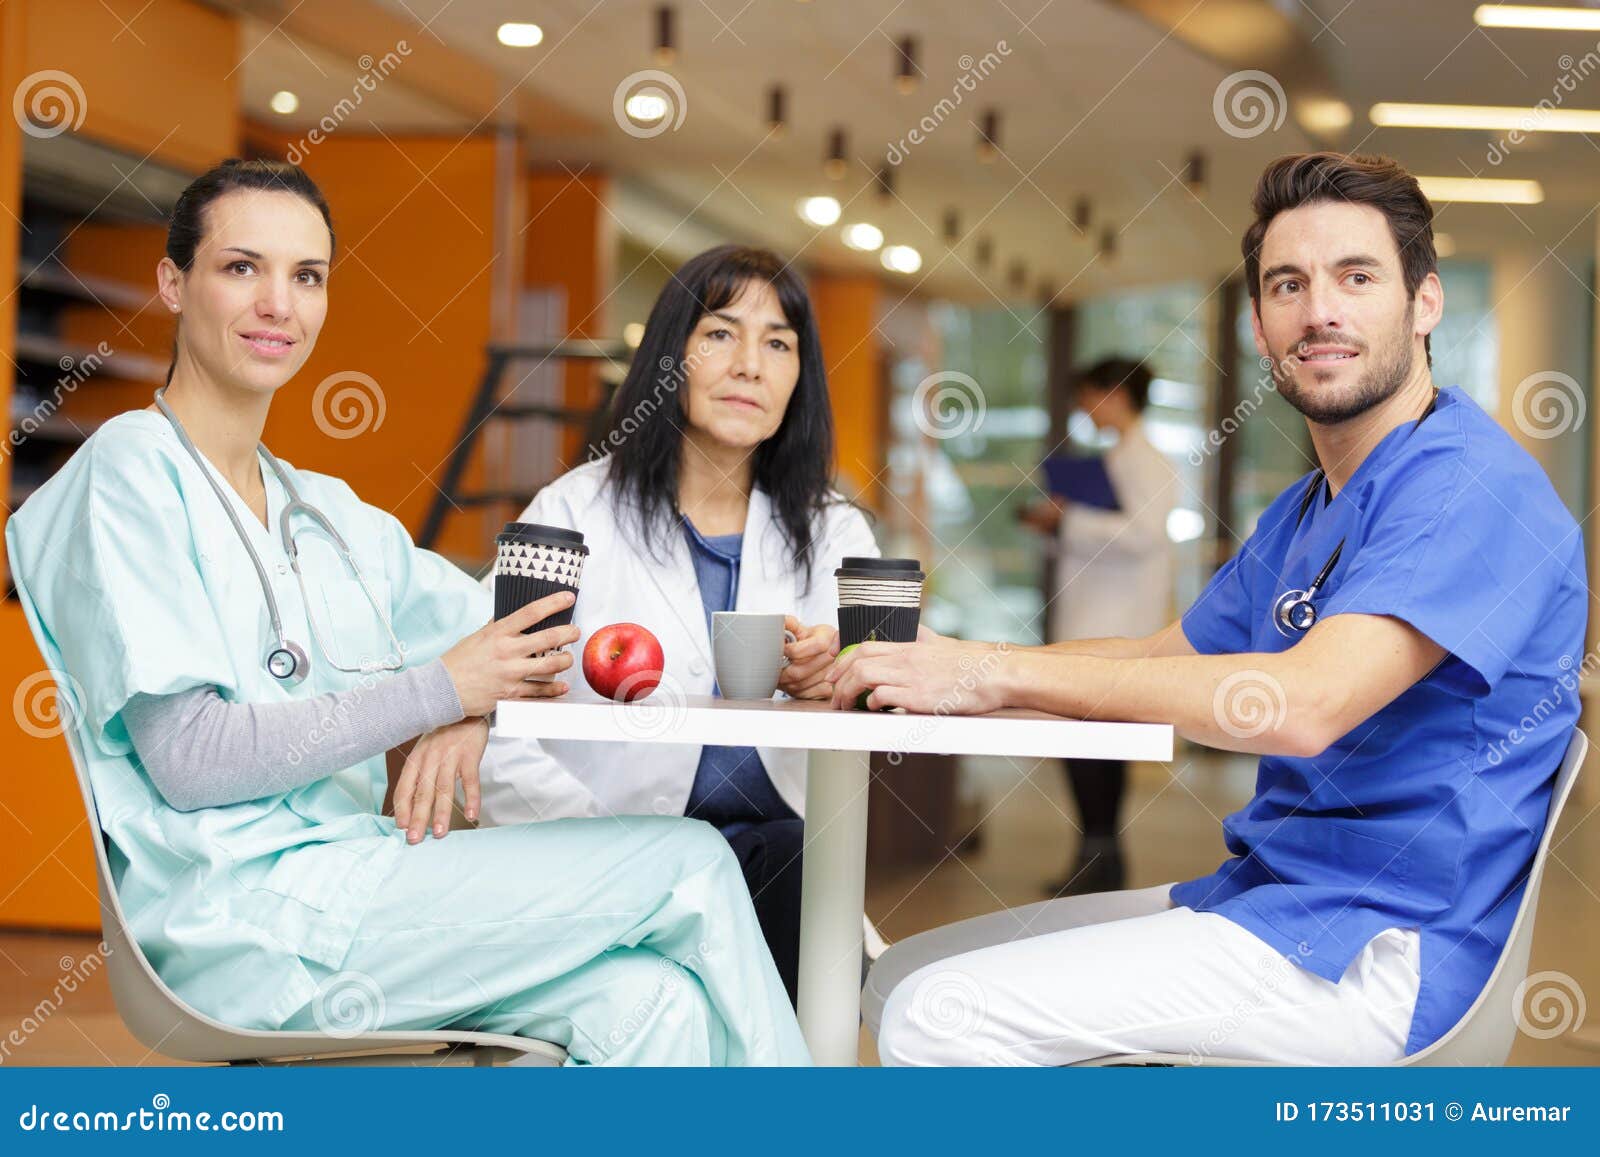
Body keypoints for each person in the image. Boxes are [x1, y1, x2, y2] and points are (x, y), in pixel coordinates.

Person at [5, 159, 809, 1067]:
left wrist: (470, 707)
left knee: (649, 1002)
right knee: (693, 861)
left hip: (360, 889)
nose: (278, 303)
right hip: (242, 923)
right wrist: (441, 688)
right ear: (172, 282)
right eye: (241, 268)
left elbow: (523, 633)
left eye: (306, 277)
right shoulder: (128, 475)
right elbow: (190, 759)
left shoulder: (322, 511)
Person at [832, 151, 1585, 1065]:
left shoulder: (1468, 485)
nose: (1321, 312)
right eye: (1287, 285)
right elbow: (1161, 653)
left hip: (1376, 947)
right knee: (908, 969)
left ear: (1425, 302)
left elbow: (1304, 705)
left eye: (1357, 277)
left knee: (937, 1012)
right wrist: (944, 660)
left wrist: (987, 678)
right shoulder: (1308, 508)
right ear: (1260, 330)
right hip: (1273, 897)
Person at [478, 245, 879, 1003]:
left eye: (779, 343)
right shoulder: (571, 513)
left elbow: (888, 699)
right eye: (721, 334)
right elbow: (493, 718)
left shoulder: (837, 535)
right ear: (671, 353)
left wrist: (836, 681)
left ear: (800, 378)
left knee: (793, 874)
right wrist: (609, 848)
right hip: (613, 843)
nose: (751, 365)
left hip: (776, 856)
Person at [1019, 357, 1177, 894]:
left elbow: (1143, 535)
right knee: (1090, 750)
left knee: (1092, 749)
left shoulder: (1144, 461)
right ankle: (1098, 859)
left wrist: (1070, 519)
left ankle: (1100, 861)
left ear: (1115, 394)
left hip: (1114, 623)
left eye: (1090, 395)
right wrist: (1059, 522)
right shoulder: (1118, 457)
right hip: (1096, 612)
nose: (1084, 407)